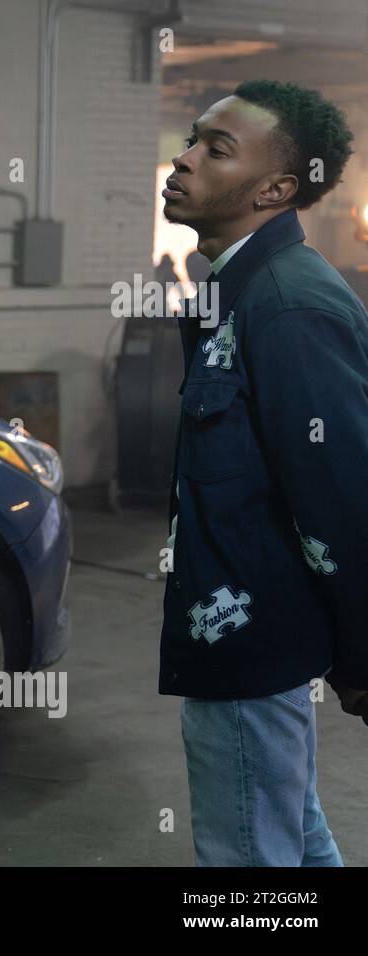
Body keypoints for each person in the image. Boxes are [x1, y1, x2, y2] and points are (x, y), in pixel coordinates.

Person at [159, 79, 366, 866]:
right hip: (239, 632)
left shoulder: (287, 305)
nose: (182, 160)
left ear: (278, 188)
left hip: (254, 641)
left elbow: (342, 496)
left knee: (249, 865)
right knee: (292, 840)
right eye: (192, 139)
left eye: (216, 150)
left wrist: (361, 656)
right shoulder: (235, 293)